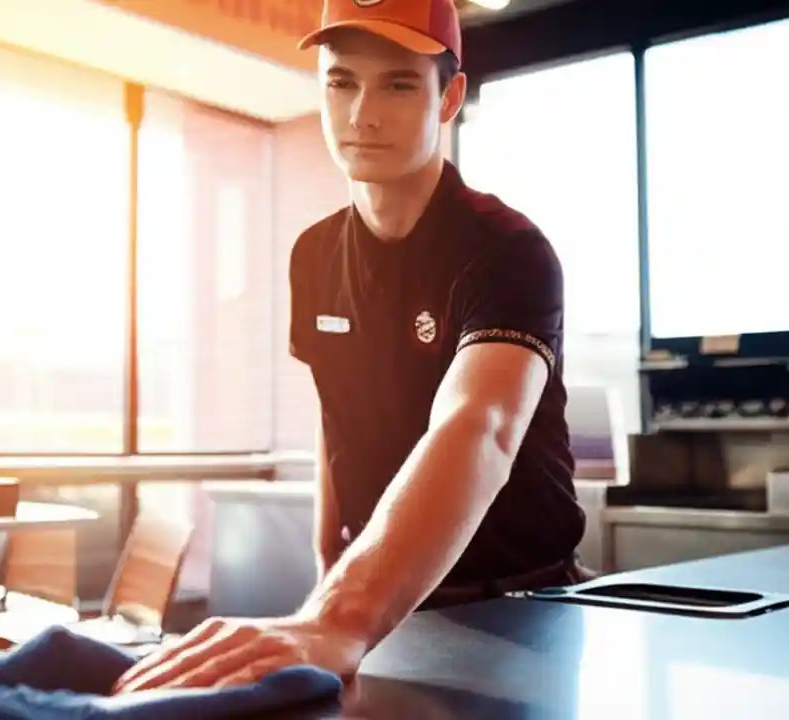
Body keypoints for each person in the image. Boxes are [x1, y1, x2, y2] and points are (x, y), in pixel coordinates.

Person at [113, 0, 586, 694]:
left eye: (398, 84)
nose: (363, 113)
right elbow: (333, 406)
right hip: (386, 609)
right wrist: (327, 564)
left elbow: (479, 425)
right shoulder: (313, 254)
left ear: (448, 97)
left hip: (521, 604)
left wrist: (339, 615)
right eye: (341, 82)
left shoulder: (508, 251)